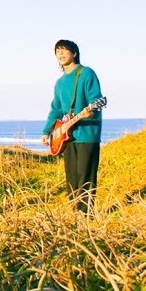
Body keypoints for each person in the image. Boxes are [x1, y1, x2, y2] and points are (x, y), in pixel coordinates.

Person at [40, 39, 104, 215]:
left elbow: (96, 100)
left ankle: (86, 216)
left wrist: (90, 110)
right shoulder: (60, 83)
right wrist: (47, 131)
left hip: (87, 133)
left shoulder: (86, 74)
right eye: (57, 51)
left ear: (74, 53)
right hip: (66, 136)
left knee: (86, 176)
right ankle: (75, 213)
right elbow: (56, 109)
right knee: (72, 179)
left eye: (64, 50)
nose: (60, 54)